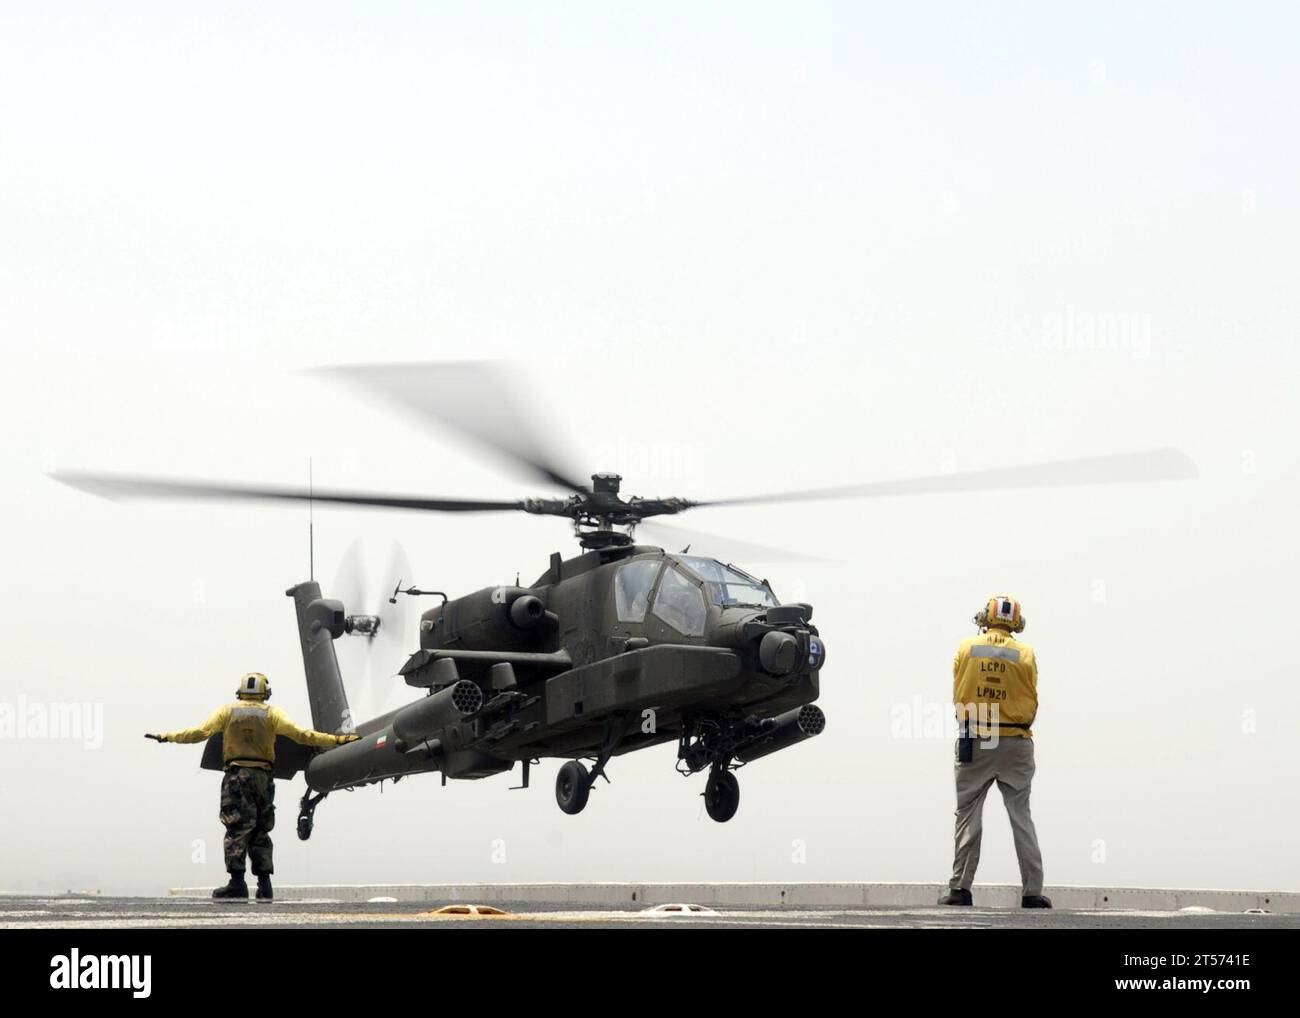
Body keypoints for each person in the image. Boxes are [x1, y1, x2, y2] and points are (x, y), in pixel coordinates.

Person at [146, 672, 358, 901]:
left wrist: (167, 737)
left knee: (237, 827)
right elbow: (302, 735)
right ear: (265, 692)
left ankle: (237, 884)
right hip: (264, 777)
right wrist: (338, 740)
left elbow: (199, 733)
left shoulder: (227, 712)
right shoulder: (272, 714)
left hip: (237, 776)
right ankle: (265, 885)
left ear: (241, 691)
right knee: (261, 829)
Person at [939, 596, 1052, 909]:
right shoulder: (1026, 653)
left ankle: (960, 889)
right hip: (1016, 740)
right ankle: (1032, 892)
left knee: (968, 815)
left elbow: (957, 682)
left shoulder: (966, 647)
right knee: (1021, 815)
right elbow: (1032, 689)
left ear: (985, 617)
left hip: (976, 738)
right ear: (1016, 622)